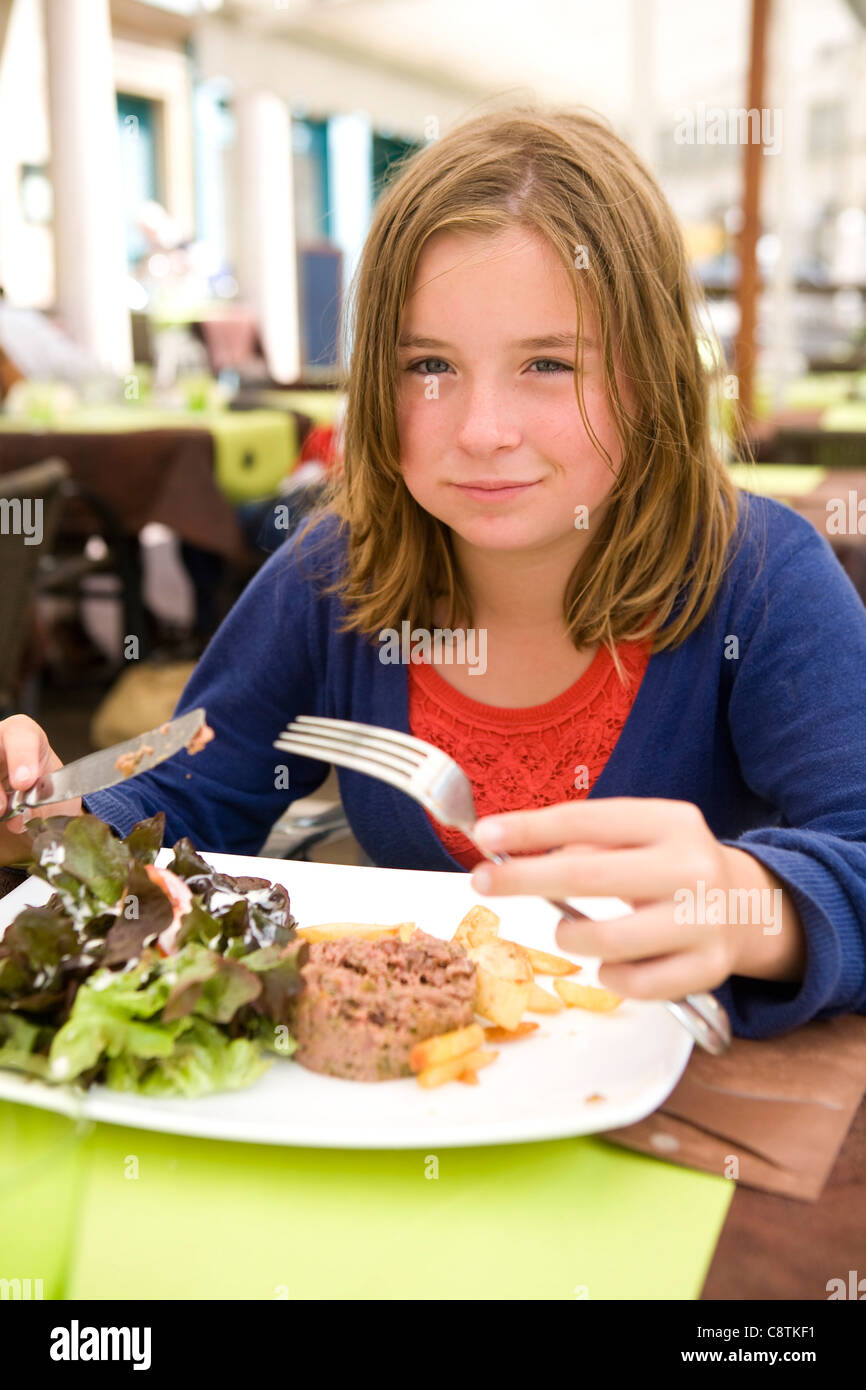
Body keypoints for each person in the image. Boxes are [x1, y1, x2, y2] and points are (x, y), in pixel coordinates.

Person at [2, 106, 865, 1039]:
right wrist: (46, 812)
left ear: (650, 374)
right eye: (429, 366)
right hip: (403, 1118)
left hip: (678, 1105)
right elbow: (190, 797)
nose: (480, 430)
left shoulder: (763, 578)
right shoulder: (332, 575)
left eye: (546, 362)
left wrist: (756, 903)